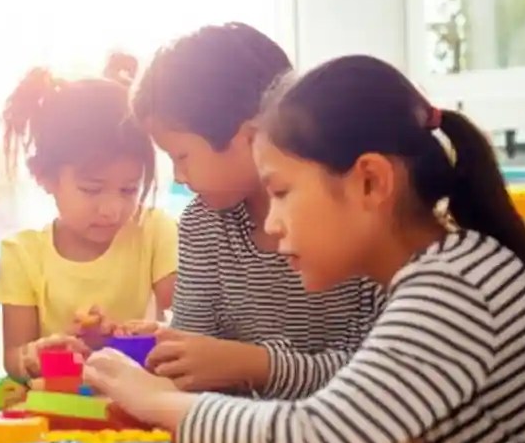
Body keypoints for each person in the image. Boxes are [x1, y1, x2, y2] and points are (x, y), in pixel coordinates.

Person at [86, 55, 525, 443]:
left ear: (370, 181)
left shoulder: (456, 286)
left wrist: (156, 401)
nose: (271, 222)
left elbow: (314, 442)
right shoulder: (443, 271)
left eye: (282, 192)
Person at [126, 22, 383, 398]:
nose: (179, 176)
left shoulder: (353, 218)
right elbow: (195, 357)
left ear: (249, 137)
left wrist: (254, 364)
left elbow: (387, 381)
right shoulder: (204, 223)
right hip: (240, 438)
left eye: (181, 156)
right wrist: (158, 349)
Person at [0, 55, 176, 378]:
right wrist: (33, 356)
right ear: (45, 177)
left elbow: (184, 326)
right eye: (92, 190)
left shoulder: (154, 231)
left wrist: (124, 337)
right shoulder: (23, 254)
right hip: (53, 410)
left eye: (129, 189)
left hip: (134, 408)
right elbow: (13, 358)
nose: (112, 209)